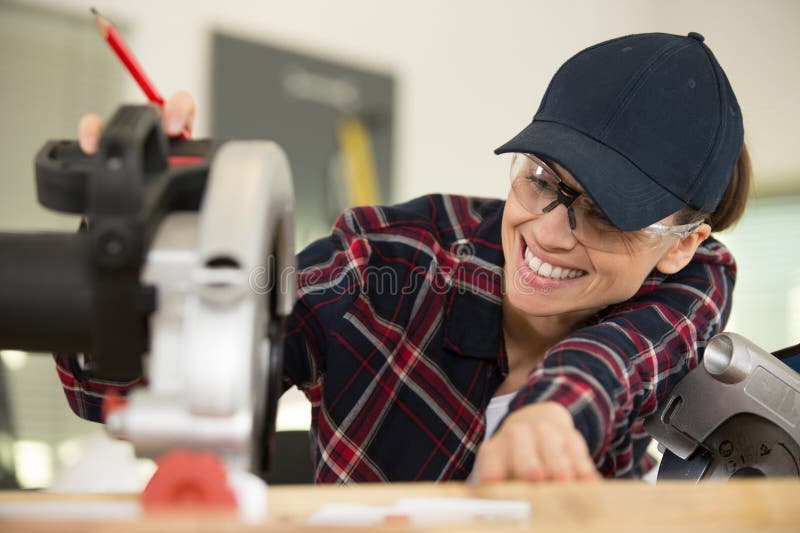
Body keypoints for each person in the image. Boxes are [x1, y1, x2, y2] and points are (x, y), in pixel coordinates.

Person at [62, 31, 749, 483]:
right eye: (542, 178)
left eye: (605, 211)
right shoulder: (380, 268)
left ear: (683, 242)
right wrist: (127, 235)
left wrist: (552, 412)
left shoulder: (693, 283)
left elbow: (618, 357)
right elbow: (112, 390)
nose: (548, 232)